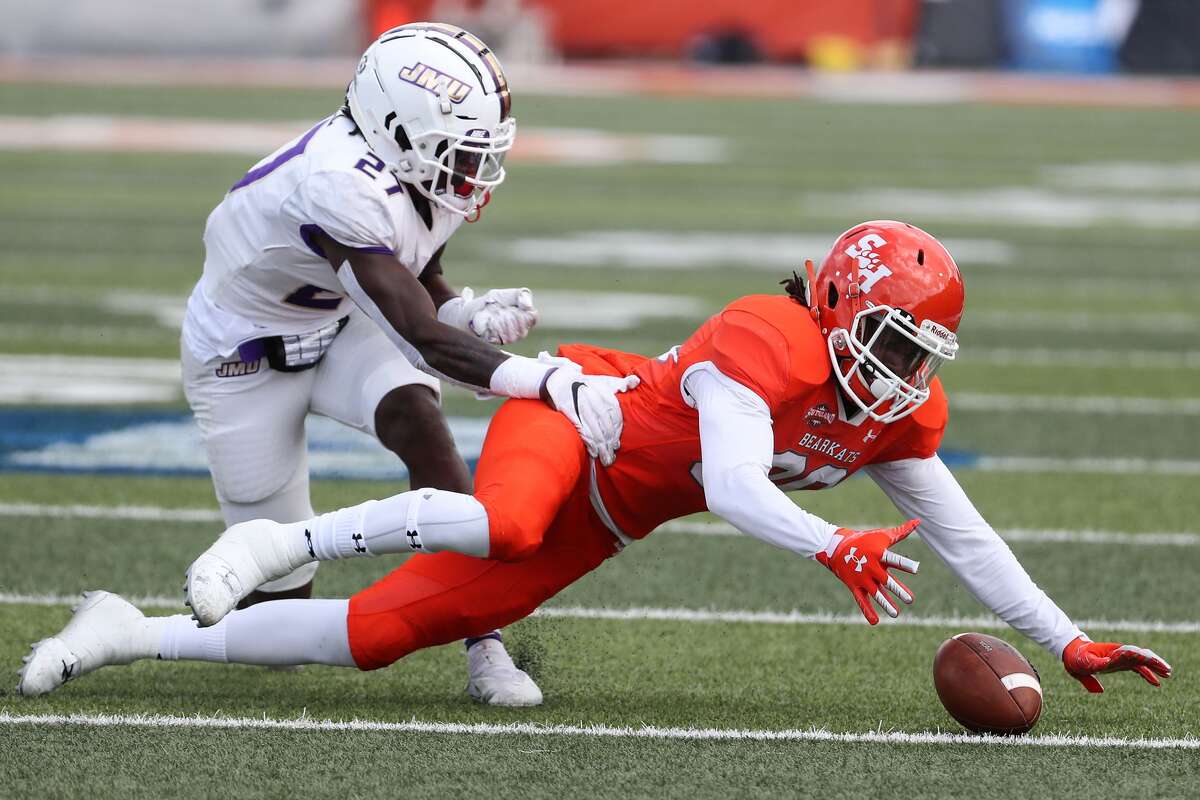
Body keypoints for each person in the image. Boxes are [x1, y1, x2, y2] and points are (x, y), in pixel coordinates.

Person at [18, 221, 1170, 700]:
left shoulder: (893, 413)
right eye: (887, 337)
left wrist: (1063, 635)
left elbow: (964, 529)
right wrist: (831, 541)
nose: (900, 368)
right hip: (580, 418)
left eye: (917, 351)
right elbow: (727, 483)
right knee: (508, 520)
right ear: (833, 304)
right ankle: (281, 538)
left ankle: (129, 627)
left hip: (610, 517)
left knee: (369, 637)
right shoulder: (762, 340)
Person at [172, 22, 637, 706]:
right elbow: (419, 333)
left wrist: (467, 315)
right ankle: (130, 632)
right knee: (273, 619)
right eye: (459, 150)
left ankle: (486, 646)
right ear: (396, 128)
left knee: (422, 426)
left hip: (339, 321)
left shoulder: (412, 170)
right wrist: (541, 377)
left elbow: (422, 280)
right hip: (243, 357)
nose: (474, 172)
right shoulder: (340, 184)